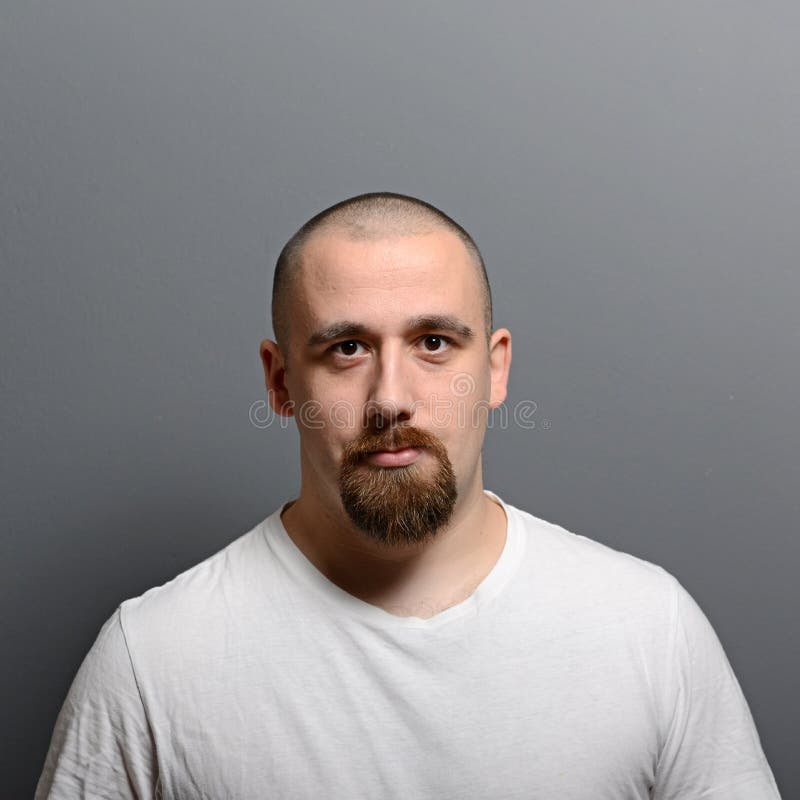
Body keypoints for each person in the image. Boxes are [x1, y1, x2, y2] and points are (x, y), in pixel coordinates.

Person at [36, 192, 781, 799]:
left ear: (495, 370)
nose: (391, 398)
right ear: (280, 382)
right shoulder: (154, 661)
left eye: (433, 344)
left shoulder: (650, 631)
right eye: (347, 348)